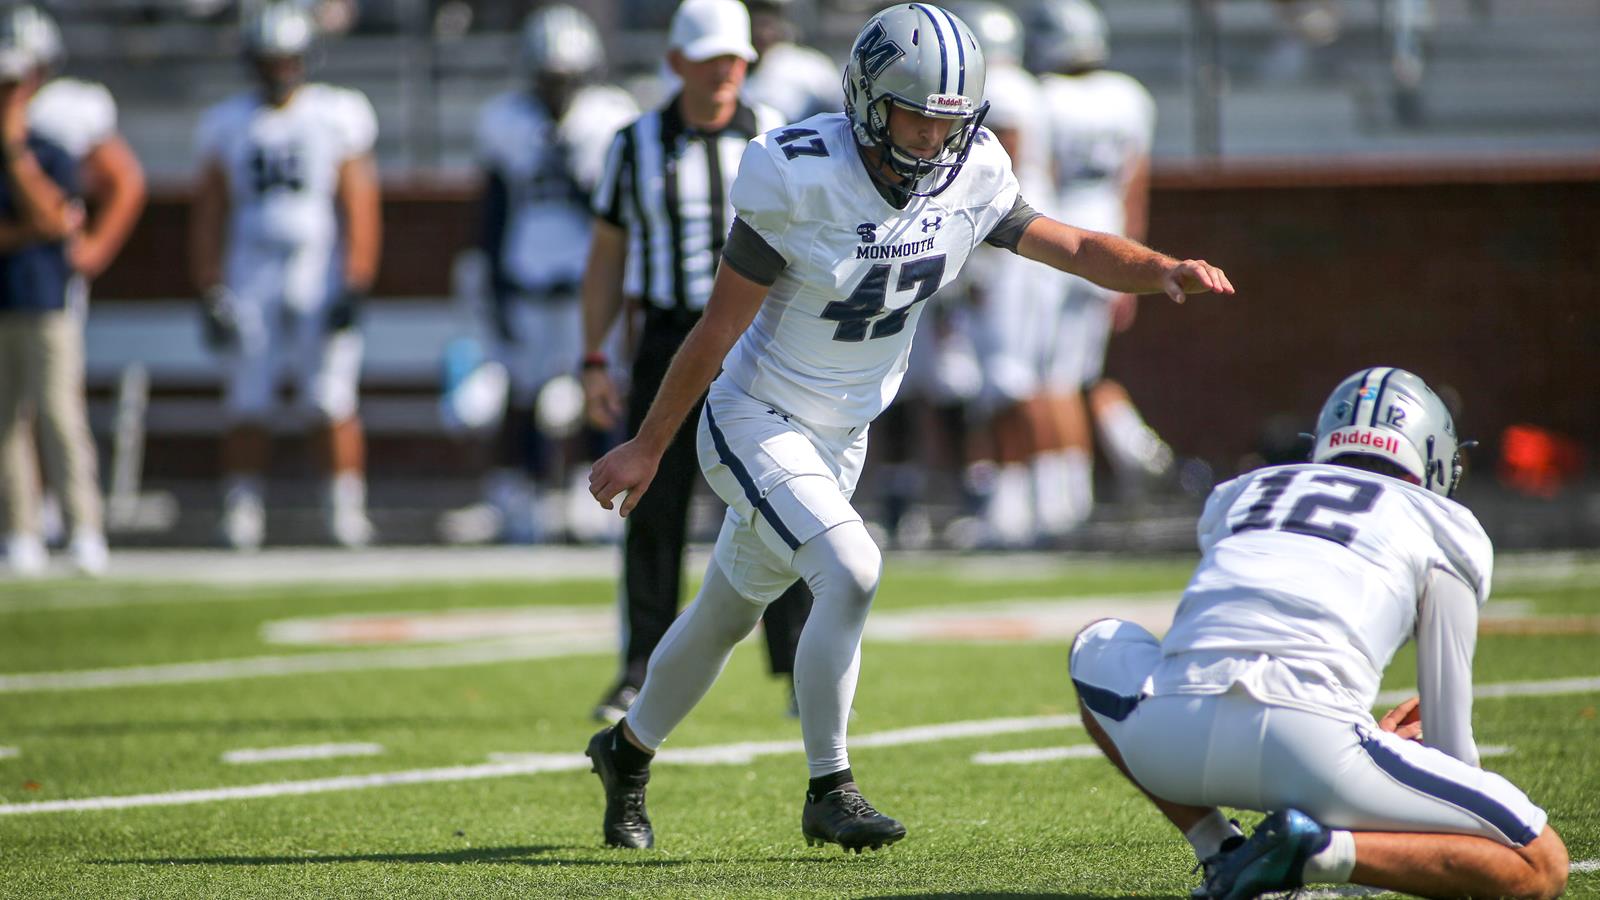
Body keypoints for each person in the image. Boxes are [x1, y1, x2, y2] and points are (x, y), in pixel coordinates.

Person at [583, 3, 1231, 853]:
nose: (930, 139)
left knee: (723, 617)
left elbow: (1068, 246)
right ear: (865, 97)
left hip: (840, 434)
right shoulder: (798, 173)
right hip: (756, 417)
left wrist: (1160, 270)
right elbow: (715, 331)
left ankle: (625, 753)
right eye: (914, 116)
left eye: (947, 121)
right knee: (850, 567)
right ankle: (830, 786)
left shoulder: (973, 172)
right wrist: (648, 446)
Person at [1069, 367, 1569, 900]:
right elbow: (1449, 741)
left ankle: (1220, 849)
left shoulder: (1244, 491)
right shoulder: (1447, 526)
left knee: (1096, 645)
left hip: (1168, 740)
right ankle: (1315, 852)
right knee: (1542, 864)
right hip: (1314, 747)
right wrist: (1389, 764)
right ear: (1436, 453)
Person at [581, 0, 816, 727]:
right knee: (652, 504)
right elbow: (607, 259)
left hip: (756, 339)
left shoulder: (774, 132)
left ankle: (800, 666)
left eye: (734, 59)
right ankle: (639, 665)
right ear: (676, 62)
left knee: (778, 499)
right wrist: (594, 357)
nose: (724, 71)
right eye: (710, 58)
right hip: (666, 337)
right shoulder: (632, 144)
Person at [189, 0, 382, 551]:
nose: (278, 71)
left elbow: (358, 203)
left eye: (286, 60)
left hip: (317, 268)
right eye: (268, 61)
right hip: (250, 268)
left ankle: (345, 507)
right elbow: (209, 213)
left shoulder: (334, 114)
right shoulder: (227, 123)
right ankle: (242, 506)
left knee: (331, 397)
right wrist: (208, 286)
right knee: (247, 397)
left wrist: (356, 279)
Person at [469, 4, 636, 543]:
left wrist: (574, 175)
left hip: (587, 286)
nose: (556, 89)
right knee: (521, 394)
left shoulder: (608, 118)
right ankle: (521, 493)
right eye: (547, 78)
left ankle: (594, 494)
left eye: (565, 78)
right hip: (527, 282)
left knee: (598, 390)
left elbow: (620, 213)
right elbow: (494, 211)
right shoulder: (506, 122)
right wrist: (493, 285)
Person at [1026, 0, 1174, 529]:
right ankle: (1129, 458)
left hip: (1057, 240)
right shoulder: (1129, 96)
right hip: (1111, 238)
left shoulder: (1043, 97)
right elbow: (1135, 185)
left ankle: (1066, 502)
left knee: (1050, 377)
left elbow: (1035, 173)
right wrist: (1135, 268)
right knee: (1081, 373)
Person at [0, 7, 99, 578]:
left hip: (44, 298)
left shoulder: (48, 146)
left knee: (60, 416)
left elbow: (53, 219)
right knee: (5, 424)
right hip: (5, 299)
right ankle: (22, 530)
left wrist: (14, 153)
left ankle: (84, 528)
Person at [741, 0, 838, 125]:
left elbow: (839, 112)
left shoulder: (811, 67)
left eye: (767, 24)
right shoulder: (726, 68)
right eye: (755, 25)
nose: (761, 33)